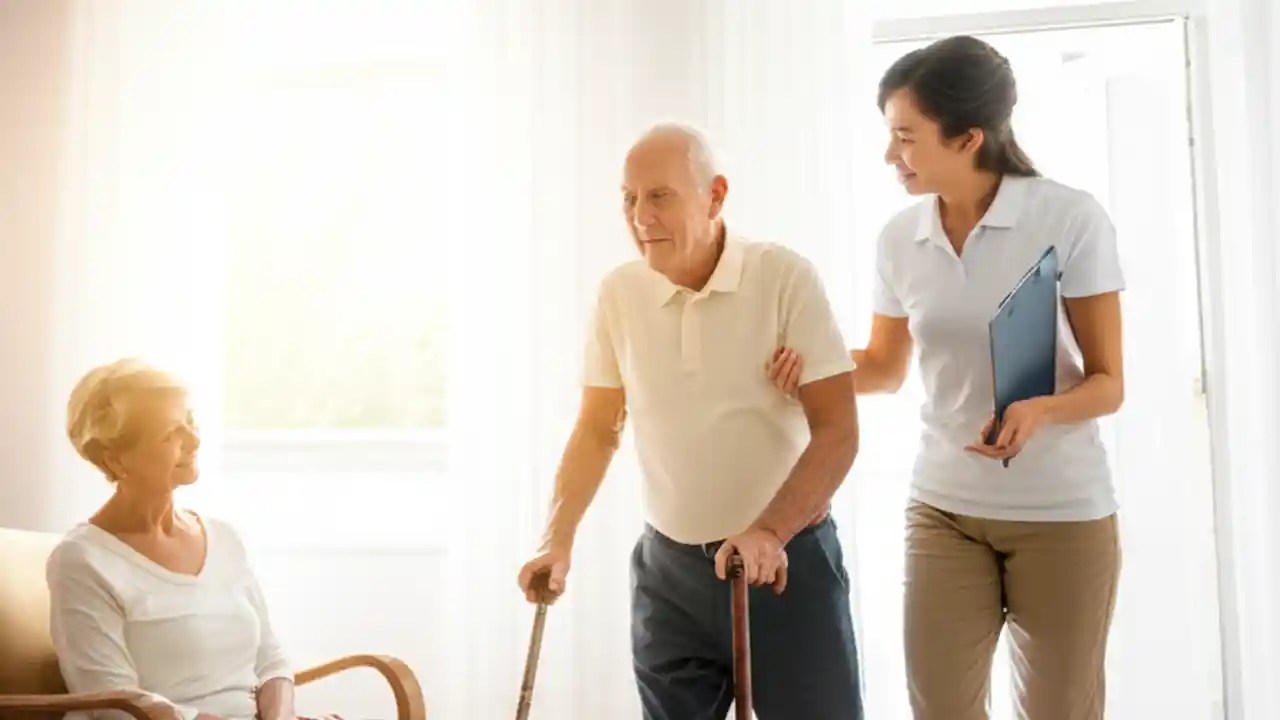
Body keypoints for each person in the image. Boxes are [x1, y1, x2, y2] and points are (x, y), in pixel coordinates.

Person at [769, 35, 1125, 720]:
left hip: (1061, 514)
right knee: (940, 710)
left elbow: (1109, 382)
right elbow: (881, 368)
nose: (889, 155)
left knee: (1060, 711)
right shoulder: (900, 240)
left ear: (968, 137)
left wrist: (1040, 411)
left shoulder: (1068, 218)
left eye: (905, 136)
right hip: (944, 508)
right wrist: (805, 368)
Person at [516, 123, 864, 719]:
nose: (640, 216)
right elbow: (599, 428)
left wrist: (769, 533)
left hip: (785, 565)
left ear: (715, 195)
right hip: (668, 575)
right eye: (628, 198)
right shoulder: (618, 293)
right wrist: (557, 539)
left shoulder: (784, 277)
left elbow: (839, 432)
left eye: (660, 195)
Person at [47, 358, 339, 720]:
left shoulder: (223, 537)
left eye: (191, 423)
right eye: (172, 434)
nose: (195, 440)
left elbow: (270, 659)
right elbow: (113, 706)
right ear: (116, 458)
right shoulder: (82, 561)